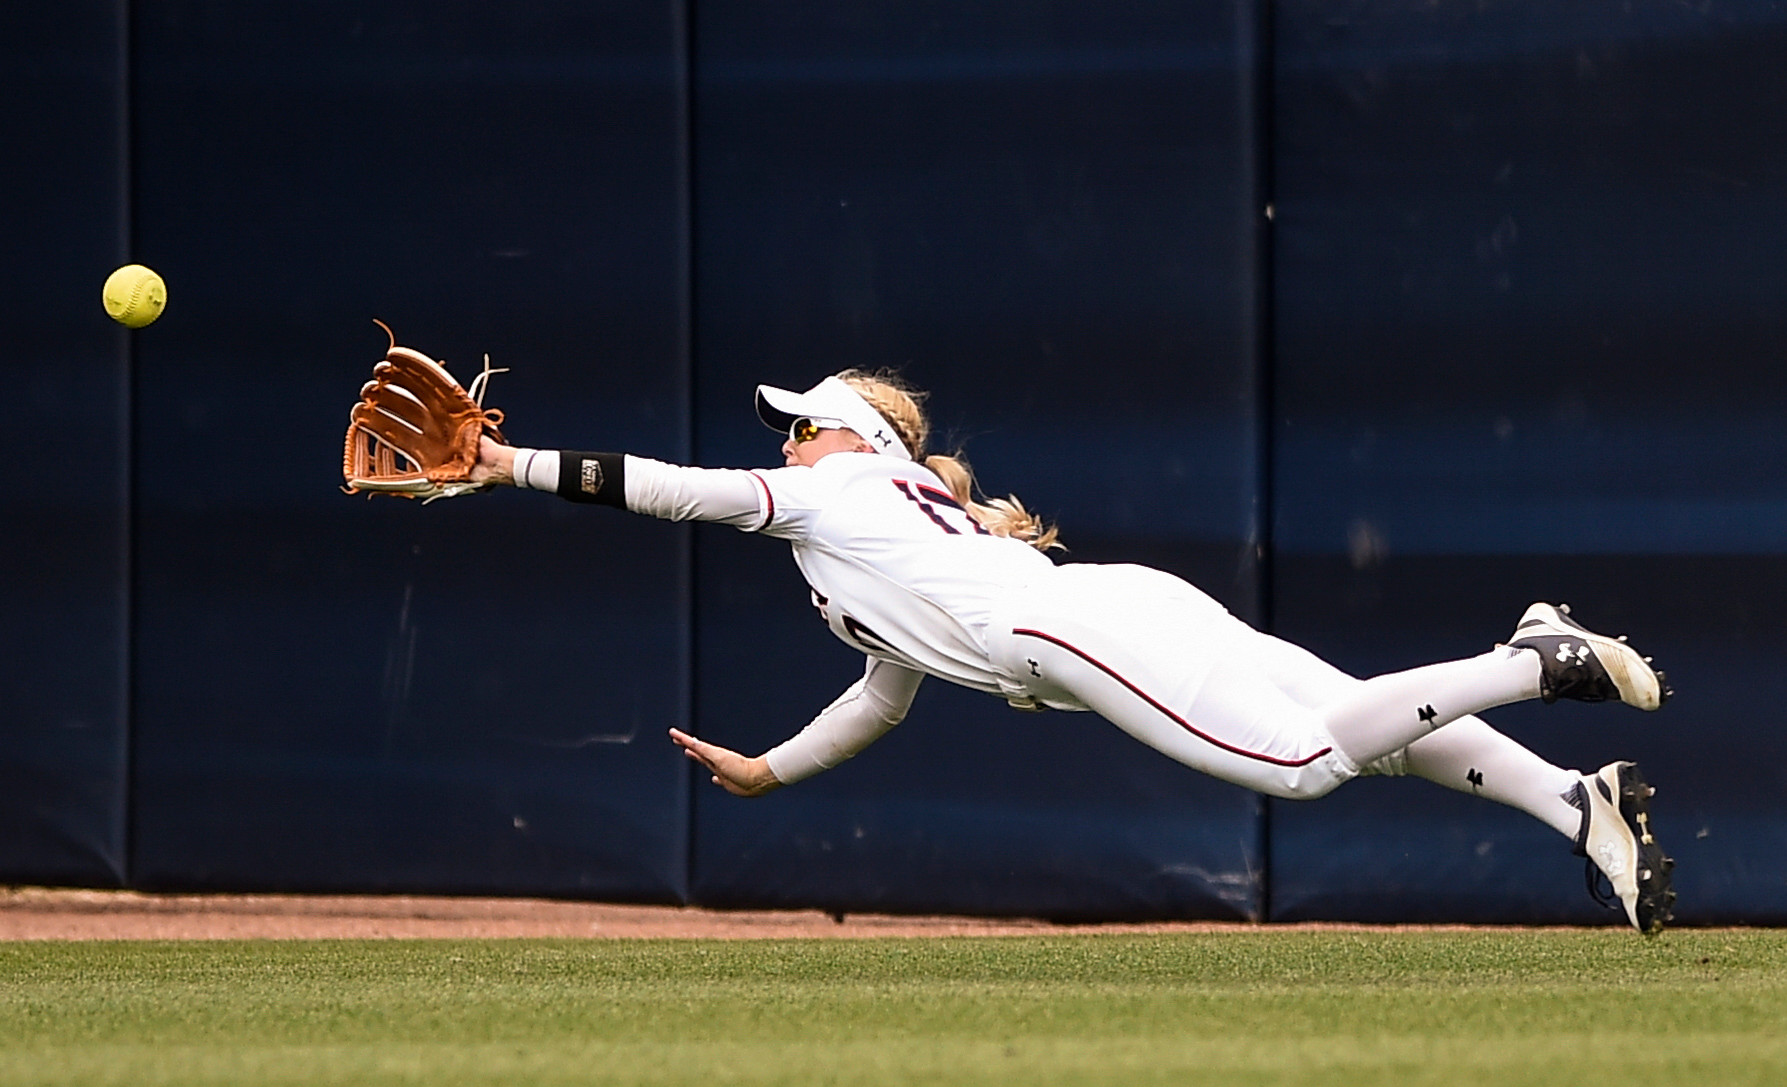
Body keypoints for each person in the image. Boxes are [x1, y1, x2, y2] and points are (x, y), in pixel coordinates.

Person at [469, 370, 1675, 934]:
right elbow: (884, 697)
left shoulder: (834, 495)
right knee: (1363, 723)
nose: (782, 442)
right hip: (1105, 603)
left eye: (796, 424)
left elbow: (672, 491)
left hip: (1060, 628)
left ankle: (1530, 657)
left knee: (1307, 761)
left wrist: (504, 467)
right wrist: (768, 772)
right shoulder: (866, 533)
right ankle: (1574, 803)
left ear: (844, 433)